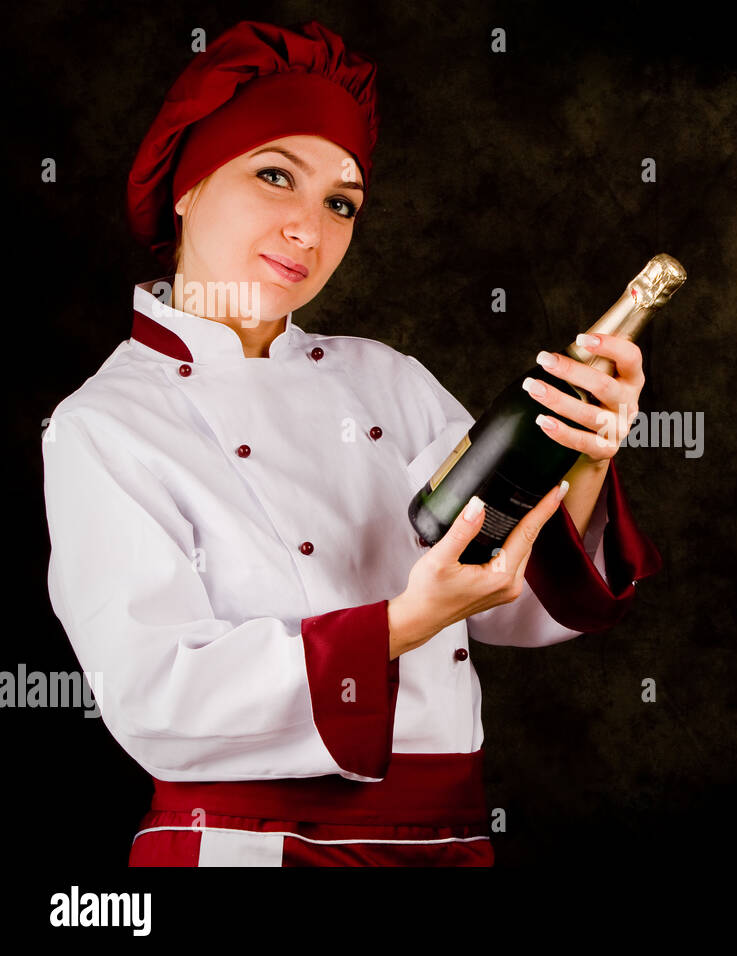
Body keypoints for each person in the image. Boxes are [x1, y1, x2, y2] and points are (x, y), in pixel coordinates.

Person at [41, 20, 661, 867]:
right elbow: (155, 694)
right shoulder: (104, 423)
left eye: (341, 202)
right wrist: (402, 626)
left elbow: (514, 602)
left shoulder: (387, 378)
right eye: (274, 176)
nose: (310, 228)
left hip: (451, 842)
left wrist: (582, 450)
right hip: (248, 847)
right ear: (185, 187)